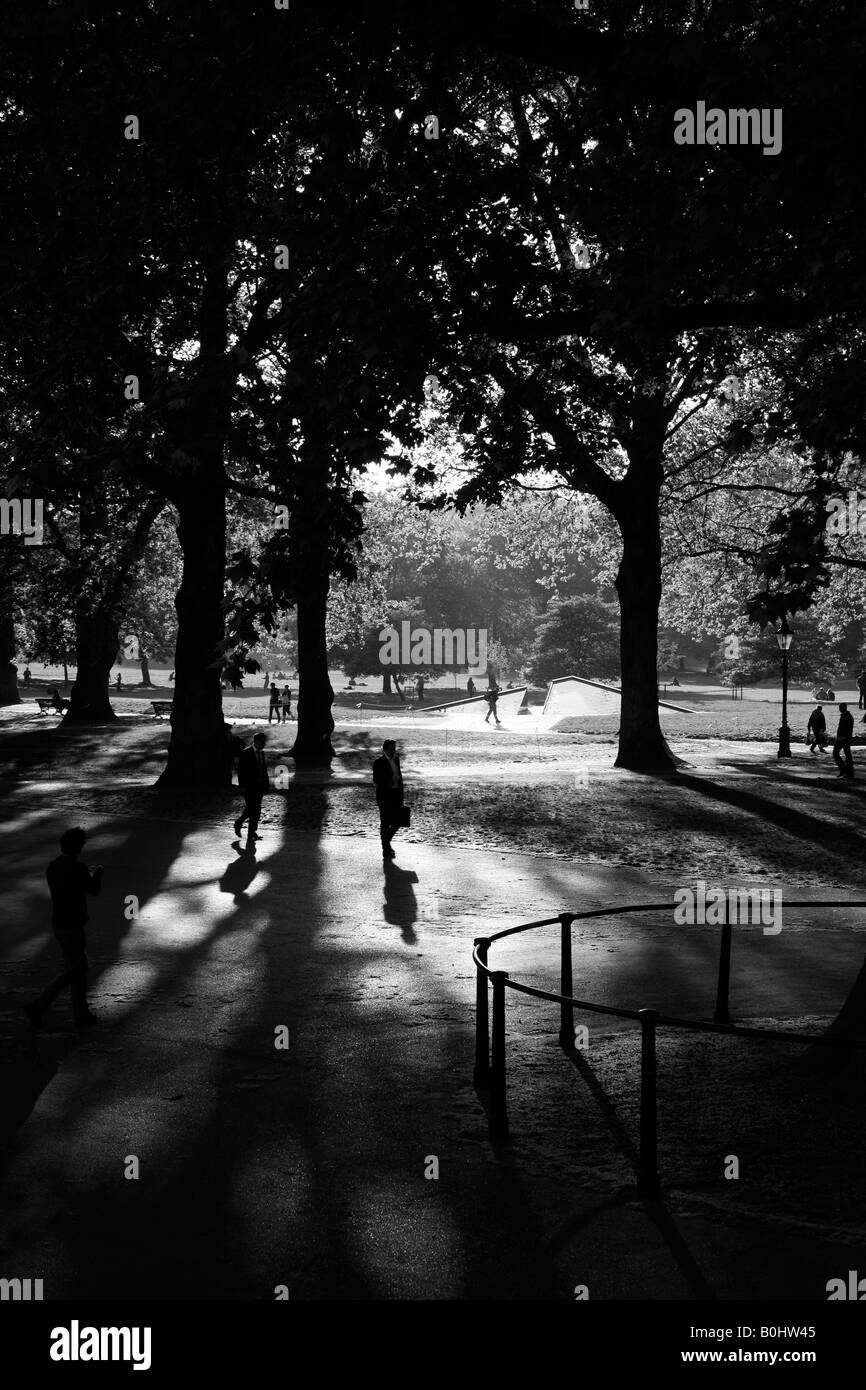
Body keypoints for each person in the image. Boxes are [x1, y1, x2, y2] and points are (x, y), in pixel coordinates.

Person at [24, 828, 103, 1029]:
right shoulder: (78, 869)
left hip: (59, 923)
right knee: (76, 969)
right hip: (74, 925)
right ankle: (39, 1005)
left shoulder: (53, 867)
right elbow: (93, 890)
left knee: (77, 969)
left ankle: (81, 1013)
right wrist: (98, 874)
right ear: (78, 847)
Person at [234, 733, 270, 848]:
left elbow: (263, 770)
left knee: (255, 809)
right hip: (249, 786)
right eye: (263, 742)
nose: (264, 744)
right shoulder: (246, 753)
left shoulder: (261, 753)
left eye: (265, 742)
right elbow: (240, 771)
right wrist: (242, 785)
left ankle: (243, 826)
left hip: (259, 786)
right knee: (253, 809)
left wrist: (266, 785)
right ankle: (249, 831)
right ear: (256, 741)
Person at [372, 739, 404, 860]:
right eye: (391, 749)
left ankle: (386, 843)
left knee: (397, 822)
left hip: (396, 796)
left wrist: (401, 796)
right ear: (385, 749)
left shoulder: (396, 760)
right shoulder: (378, 763)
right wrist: (389, 779)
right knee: (385, 824)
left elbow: (400, 778)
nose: (393, 751)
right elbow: (376, 780)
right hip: (385, 797)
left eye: (394, 749)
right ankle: (386, 848)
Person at [833, 703, 854, 780]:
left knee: (838, 753)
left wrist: (842, 737)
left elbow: (848, 728)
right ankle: (847, 771)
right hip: (842, 737)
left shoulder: (847, 716)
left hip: (844, 738)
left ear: (843, 708)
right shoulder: (845, 715)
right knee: (847, 755)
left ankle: (846, 771)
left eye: (840, 707)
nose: (839, 709)